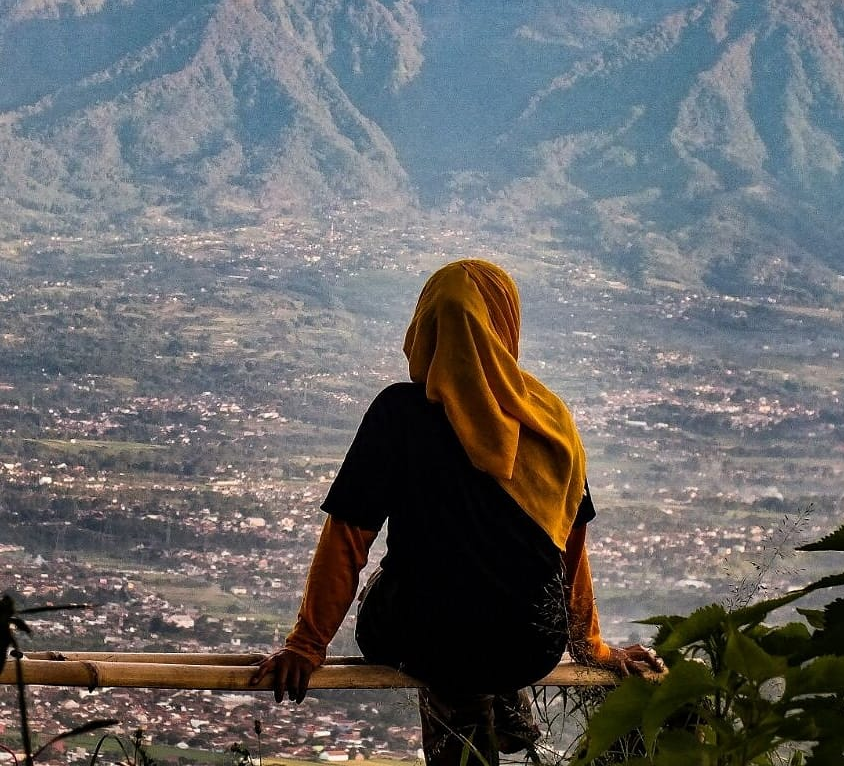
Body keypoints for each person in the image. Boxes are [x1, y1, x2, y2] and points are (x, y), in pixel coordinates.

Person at [255, 259, 663, 765]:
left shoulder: (399, 413)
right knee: (484, 604)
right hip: (532, 646)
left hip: (426, 636)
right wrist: (591, 646)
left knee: (427, 611)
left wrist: (306, 645)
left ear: (426, 326)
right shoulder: (548, 421)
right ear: (506, 325)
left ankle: (469, 721)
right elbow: (571, 551)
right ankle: (505, 711)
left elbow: (348, 538)